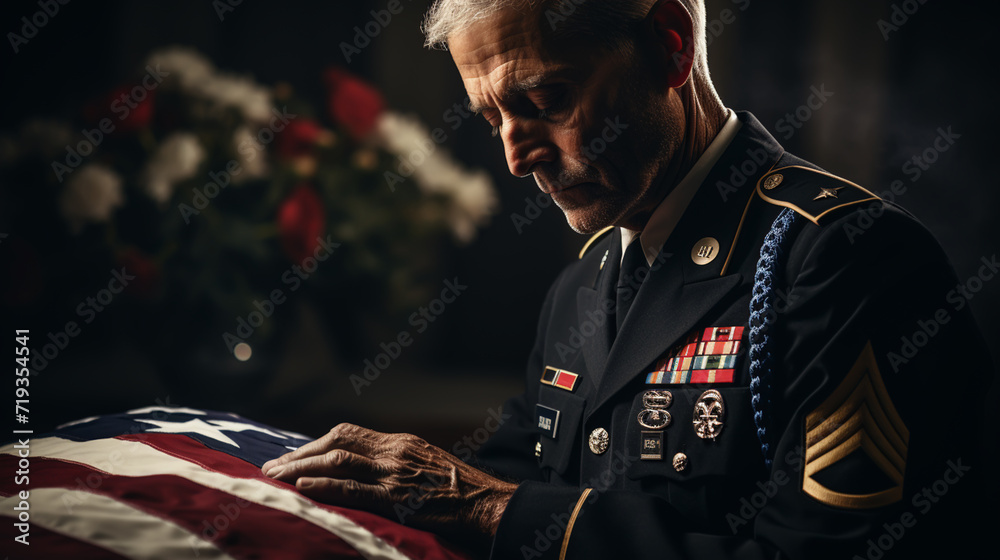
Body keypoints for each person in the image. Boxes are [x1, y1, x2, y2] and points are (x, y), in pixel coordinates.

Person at [262, 1, 992, 557]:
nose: (516, 158)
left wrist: (493, 510)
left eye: (545, 101)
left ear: (671, 45)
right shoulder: (581, 288)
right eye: (492, 119)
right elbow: (497, 478)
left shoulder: (845, 258)